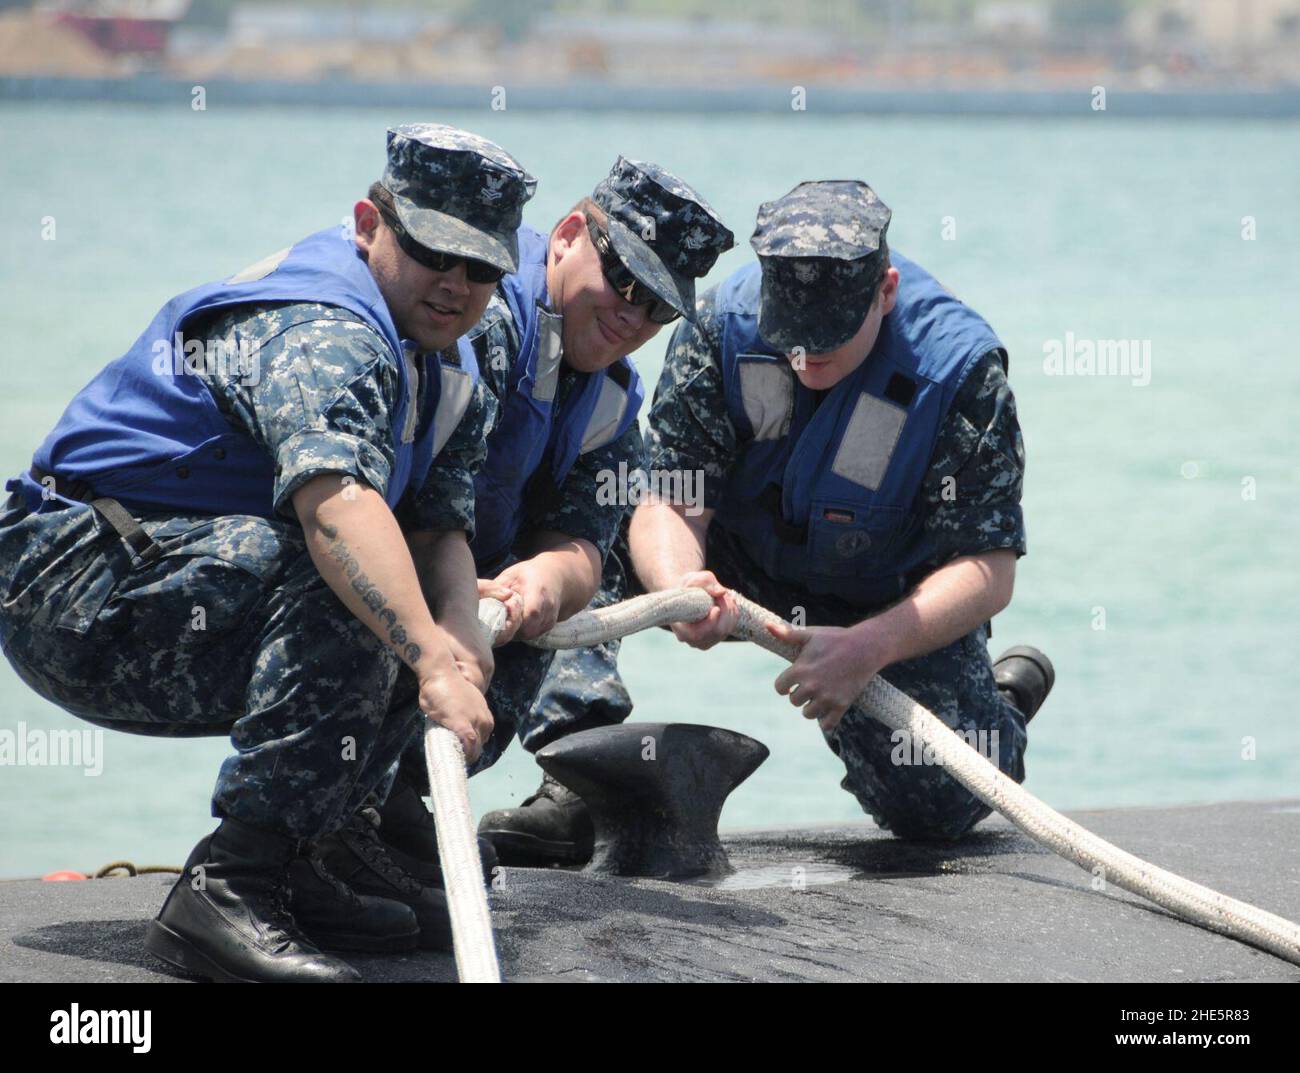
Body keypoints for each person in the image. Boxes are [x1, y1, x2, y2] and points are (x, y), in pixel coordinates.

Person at [0, 123, 535, 982]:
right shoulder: (325, 332)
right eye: (434, 250)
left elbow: (438, 527)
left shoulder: (453, 364)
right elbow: (335, 512)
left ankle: (317, 857)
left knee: (416, 603)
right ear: (370, 224)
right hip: (69, 585)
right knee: (351, 584)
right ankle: (228, 887)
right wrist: (431, 657)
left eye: (482, 268)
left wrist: (461, 630)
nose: (457, 284)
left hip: (182, 570)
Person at [491, 179, 1055, 863]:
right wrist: (680, 583)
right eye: (792, 335)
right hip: (739, 552)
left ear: (886, 291)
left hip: (883, 591)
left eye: (830, 338)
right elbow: (669, 492)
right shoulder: (721, 324)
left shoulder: (959, 368)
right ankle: (572, 775)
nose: (807, 356)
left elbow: (988, 568)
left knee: (935, 810)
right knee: (594, 524)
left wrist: (869, 647)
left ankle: (1001, 707)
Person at [371, 158, 735, 874]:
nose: (633, 315)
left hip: (474, 598)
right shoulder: (484, 321)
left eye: (658, 307)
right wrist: (452, 593)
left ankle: (394, 795)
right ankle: (331, 816)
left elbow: (586, 545)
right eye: (624, 283)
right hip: (369, 573)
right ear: (568, 235)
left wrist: (546, 575)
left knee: (558, 611)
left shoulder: (608, 401)